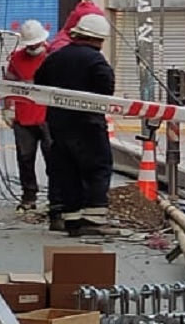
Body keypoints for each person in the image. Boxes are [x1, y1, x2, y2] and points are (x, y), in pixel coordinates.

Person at [34, 12, 116, 237]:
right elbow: (106, 87)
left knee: (67, 170)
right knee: (98, 167)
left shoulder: (56, 57)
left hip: (58, 124)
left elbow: (39, 82)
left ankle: (72, 220)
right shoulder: (95, 60)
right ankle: (94, 219)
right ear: (98, 38)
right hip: (88, 124)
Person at [2, 19, 56, 216]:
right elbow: (8, 84)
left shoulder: (53, 56)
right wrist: (8, 107)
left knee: (53, 159)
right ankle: (29, 196)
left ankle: (56, 199)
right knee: (25, 158)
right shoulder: (16, 58)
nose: (33, 47)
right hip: (24, 117)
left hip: (48, 116)